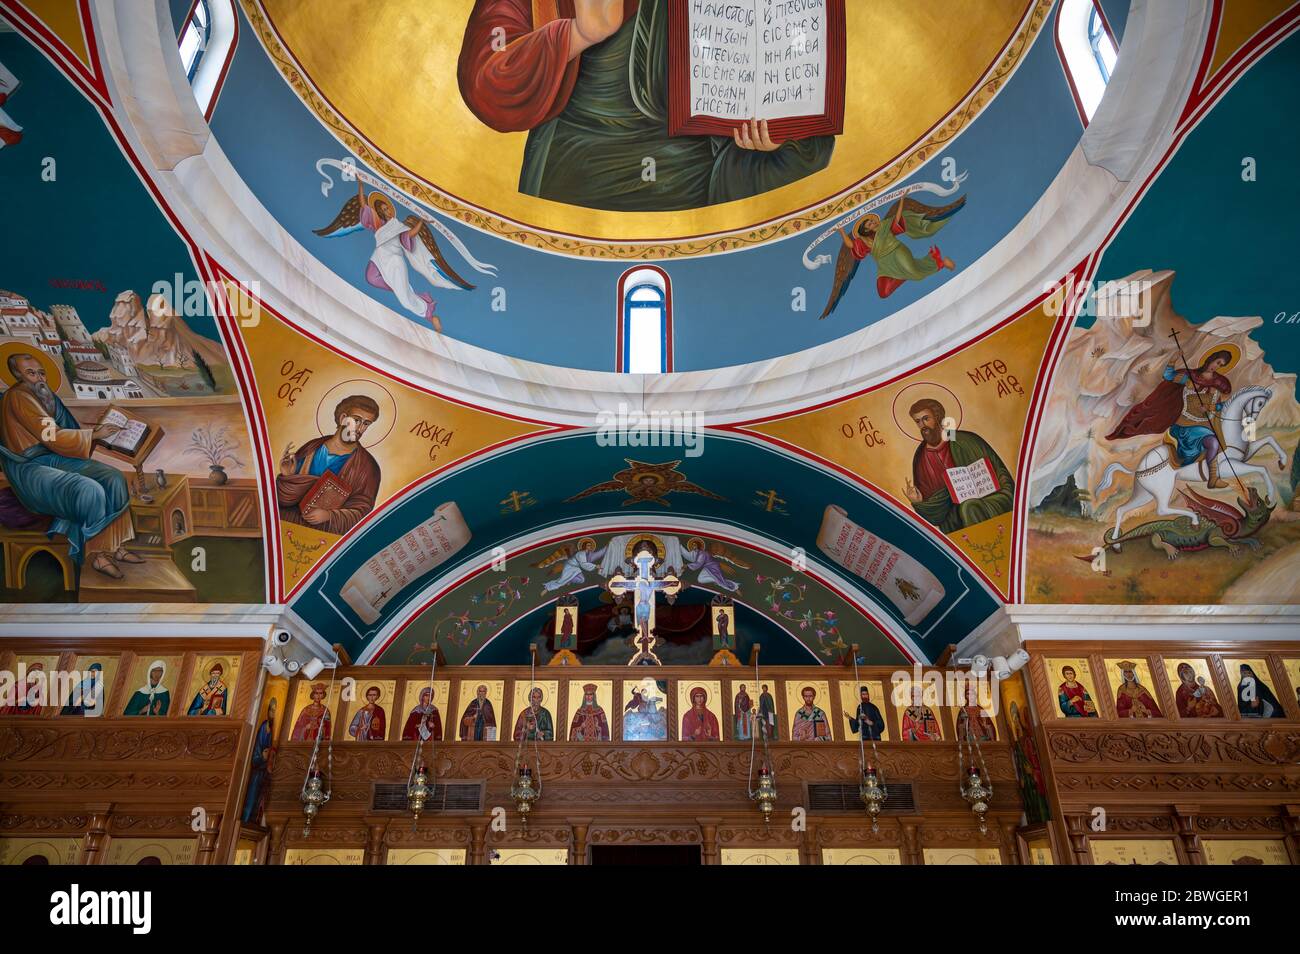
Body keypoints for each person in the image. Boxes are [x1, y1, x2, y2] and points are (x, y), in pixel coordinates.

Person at [458, 0, 835, 212]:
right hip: (575, 172)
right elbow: (488, 79)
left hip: (694, 179)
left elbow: (781, 56)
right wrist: (579, 34)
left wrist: (778, 130)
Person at [0, 352, 140, 576]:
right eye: (31, 373)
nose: (39, 378)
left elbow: (71, 431)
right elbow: (51, 434)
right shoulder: (18, 397)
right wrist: (93, 435)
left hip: (54, 457)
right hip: (28, 467)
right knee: (88, 488)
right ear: (18, 375)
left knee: (114, 477)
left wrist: (97, 431)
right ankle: (97, 555)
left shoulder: (48, 397)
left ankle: (117, 546)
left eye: (41, 372)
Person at [1106, 349, 1235, 489]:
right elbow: (1168, 376)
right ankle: (1213, 478)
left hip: (1205, 426)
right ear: (1210, 358)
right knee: (1213, 442)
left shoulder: (1219, 383)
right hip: (1184, 427)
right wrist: (1173, 360)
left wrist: (1209, 408)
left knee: (1214, 442)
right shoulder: (1190, 376)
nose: (1216, 367)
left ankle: (1213, 478)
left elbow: (1221, 404)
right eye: (1217, 362)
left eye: (1221, 365)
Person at [902, 398, 1014, 533]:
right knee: (963, 511)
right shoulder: (921, 458)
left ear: (937, 418)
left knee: (969, 507)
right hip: (953, 516)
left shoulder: (966, 440)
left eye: (926, 418)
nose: (923, 425)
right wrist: (919, 502)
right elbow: (935, 515)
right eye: (918, 421)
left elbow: (999, 472)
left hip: (991, 499)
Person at [276, 394, 382, 535]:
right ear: (342, 418)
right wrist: (287, 476)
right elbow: (283, 500)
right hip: (287, 524)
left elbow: (362, 512)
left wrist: (329, 515)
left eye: (366, 423)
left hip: (325, 534)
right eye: (356, 420)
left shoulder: (368, 467)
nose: (360, 428)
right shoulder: (311, 449)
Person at [241, 698, 277, 824]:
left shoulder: (272, 728)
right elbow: (258, 747)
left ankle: (252, 822)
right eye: (272, 711)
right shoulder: (264, 726)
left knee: (258, 801)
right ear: (267, 711)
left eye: (275, 711)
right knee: (251, 799)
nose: (273, 714)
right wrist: (262, 757)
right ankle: (245, 821)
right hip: (257, 770)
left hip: (264, 770)